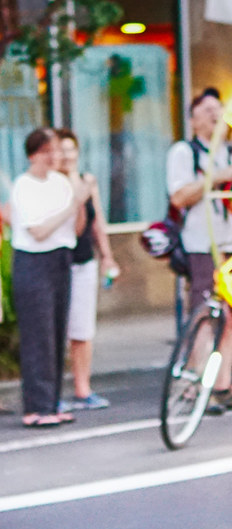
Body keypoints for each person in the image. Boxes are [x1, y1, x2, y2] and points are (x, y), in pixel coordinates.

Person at [166, 87, 232, 411]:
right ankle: (198, 384)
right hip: (202, 243)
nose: (214, 114)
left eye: (218, 108)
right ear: (193, 119)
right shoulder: (185, 152)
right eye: (206, 109)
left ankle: (223, 385)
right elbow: (179, 196)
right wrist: (217, 178)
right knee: (204, 315)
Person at [9, 128, 85, 428]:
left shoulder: (61, 183)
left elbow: (75, 230)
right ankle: (36, 406)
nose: (55, 156)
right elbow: (38, 230)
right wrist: (71, 204)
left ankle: (52, 402)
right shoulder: (23, 186)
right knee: (38, 334)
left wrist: (78, 200)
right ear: (34, 154)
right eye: (49, 150)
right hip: (32, 261)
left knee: (56, 332)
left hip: (60, 258)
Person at [56, 129, 120, 409]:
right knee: (55, 329)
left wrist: (107, 256)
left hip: (84, 261)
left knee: (82, 329)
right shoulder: (50, 185)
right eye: (62, 150)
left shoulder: (87, 182)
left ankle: (83, 387)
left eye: (72, 149)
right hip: (56, 264)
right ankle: (53, 391)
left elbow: (97, 223)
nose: (68, 155)